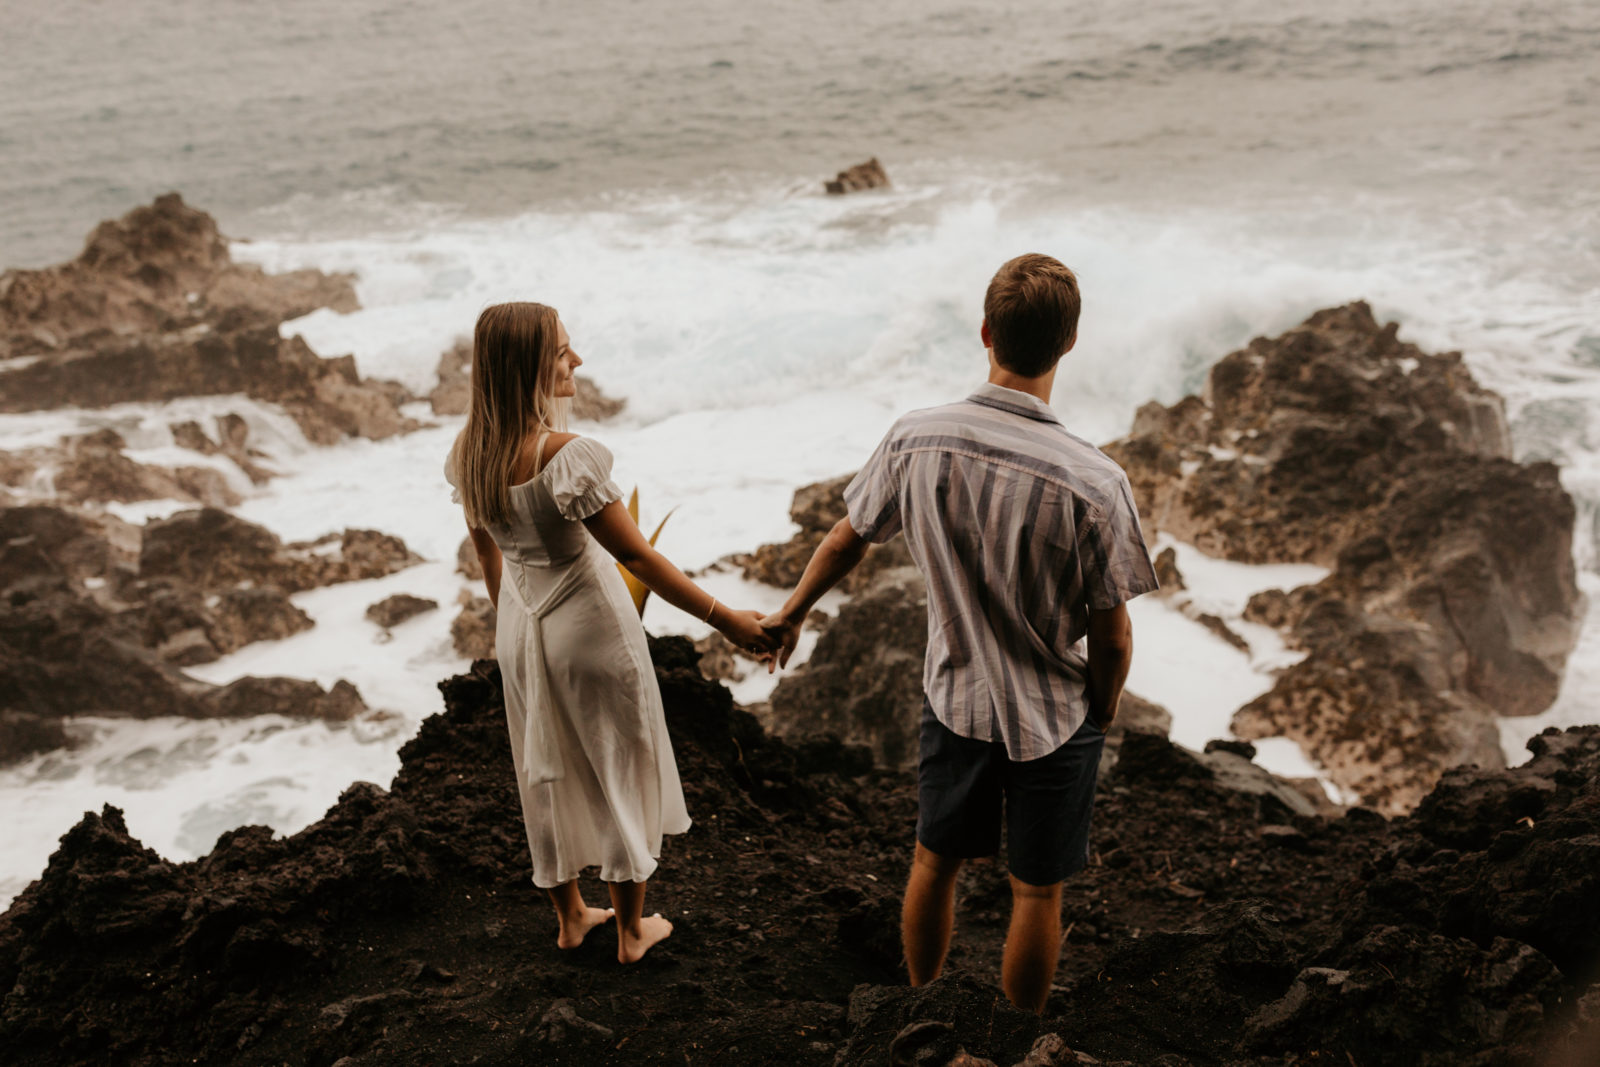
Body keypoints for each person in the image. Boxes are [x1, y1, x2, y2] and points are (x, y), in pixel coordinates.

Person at [760, 254, 1157, 1012]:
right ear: (1069, 344)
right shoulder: (1094, 481)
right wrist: (1102, 706)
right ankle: (1017, 1033)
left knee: (934, 859)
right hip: (1053, 715)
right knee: (1037, 891)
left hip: (954, 694)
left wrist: (793, 611)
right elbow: (1112, 635)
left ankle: (917, 1006)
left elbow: (848, 536)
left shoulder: (918, 437)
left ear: (985, 332)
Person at [447, 301, 776, 964]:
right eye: (564, 350)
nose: (577, 360)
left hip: (520, 626)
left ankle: (571, 917)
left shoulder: (470, 454)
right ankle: (630, 930)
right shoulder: (570, 457)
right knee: (620, 762)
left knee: (545, 769)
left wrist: (520, 627)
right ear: (528, 367)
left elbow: (490, 560)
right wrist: (730, 620)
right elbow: (639, 558)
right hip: (589, 627)